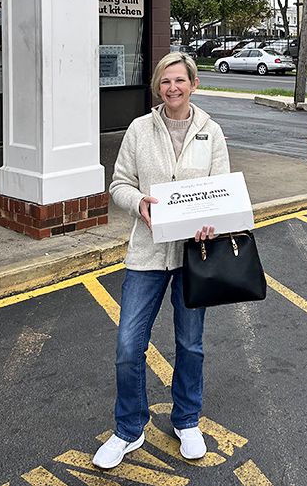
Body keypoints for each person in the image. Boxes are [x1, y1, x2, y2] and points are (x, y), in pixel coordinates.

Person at [93, 52, 230, 470]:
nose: (173, 88)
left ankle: (187, 420)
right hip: (147, 252)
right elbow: (118, 184)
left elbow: (222, 192)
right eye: (165, 82)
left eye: (180, 81)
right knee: (128, 346)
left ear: (193, 84)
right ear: (157, 87)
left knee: (190, 343)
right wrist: (139, 203)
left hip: (194, 255)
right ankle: (128, 429)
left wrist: (213, 225)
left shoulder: (212, 132)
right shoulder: (138, 130)